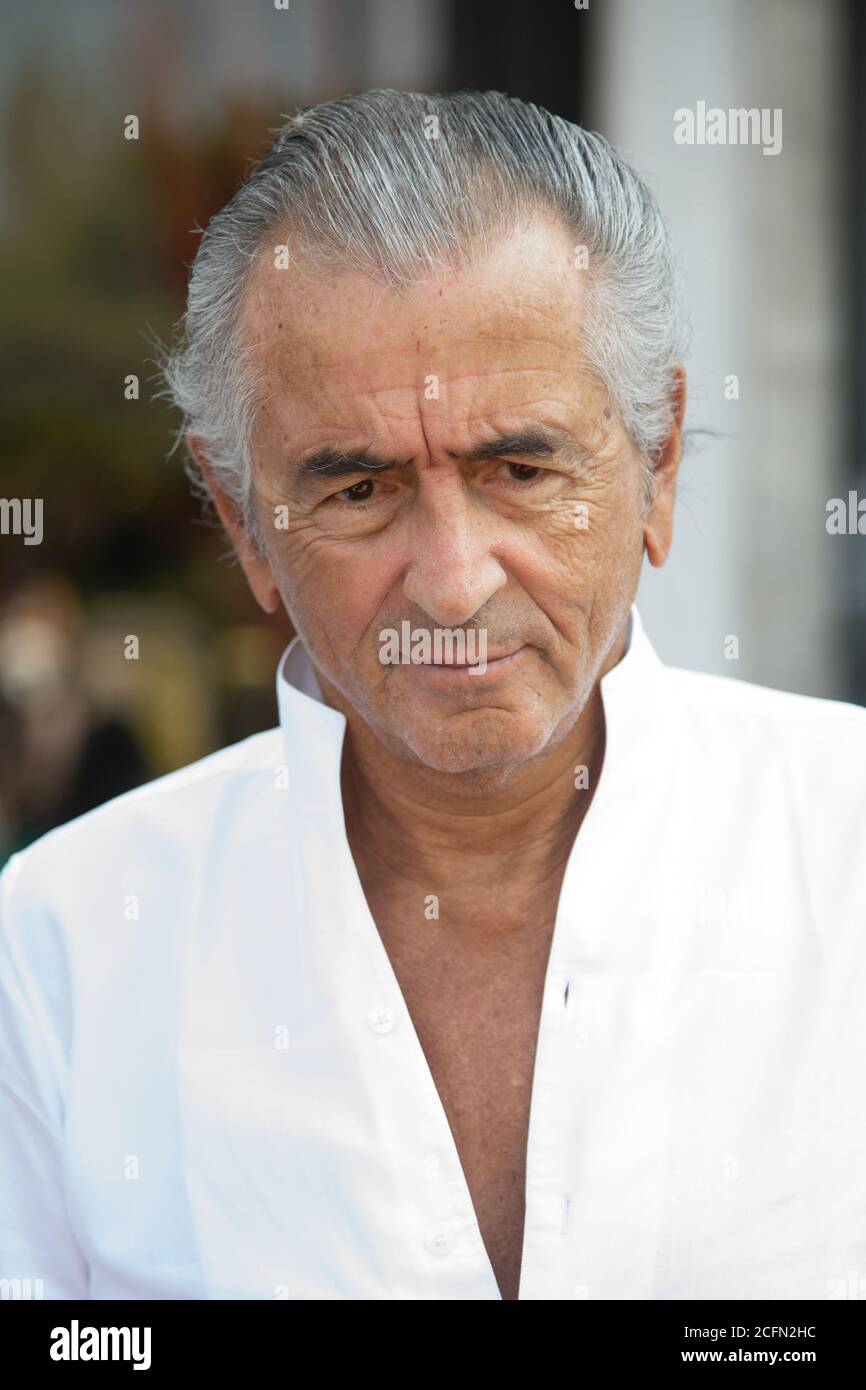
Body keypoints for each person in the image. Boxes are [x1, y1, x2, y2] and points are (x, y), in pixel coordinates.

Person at [1, 90, 864, 1302]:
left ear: (657, 462)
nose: (453, 585)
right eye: (357, 493)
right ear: (246, 520)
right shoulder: (61, 950)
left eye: (520, 469)